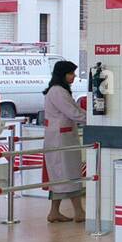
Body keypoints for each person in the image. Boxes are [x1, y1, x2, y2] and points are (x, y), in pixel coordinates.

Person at [41, 60, 87, 224]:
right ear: (63, 74)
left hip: (62, 138)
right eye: (71, 73)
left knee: (61, 176)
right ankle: (79, 211)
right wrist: (93, 119)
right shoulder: (58, 92)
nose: (74, 76)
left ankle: (55, 212)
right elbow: (73, 112)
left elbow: (75, 111)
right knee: (67, 175)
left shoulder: (59, 91)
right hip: (60, 141)